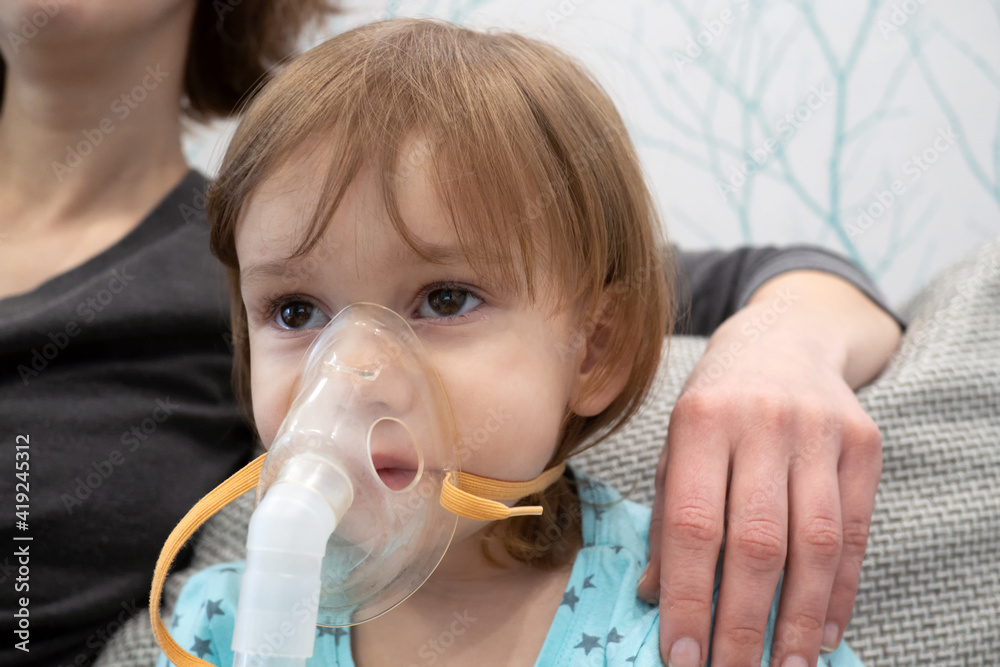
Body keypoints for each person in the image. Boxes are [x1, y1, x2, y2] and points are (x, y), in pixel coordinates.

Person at [0, 4, 900, 667]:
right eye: (297, 312)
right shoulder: (206, 634)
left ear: (597, 348)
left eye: (444, 298)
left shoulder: (689, 627)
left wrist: (785, 346)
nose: (352, 369)